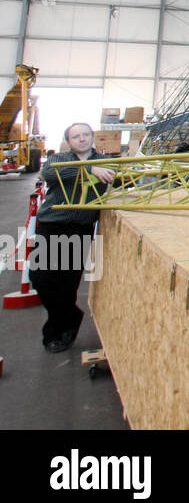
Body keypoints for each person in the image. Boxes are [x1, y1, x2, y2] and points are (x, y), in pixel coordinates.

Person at [31, 122, 115, 353]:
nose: (81, 139)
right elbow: (48, 172)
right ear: (69, 141)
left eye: (85, 134)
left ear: (92, 137)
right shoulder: (59, 159)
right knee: (41, 278)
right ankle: (71, 316)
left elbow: (122, 181)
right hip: (51, 227)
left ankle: (58, 332)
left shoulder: (106, 162)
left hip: (80, 229)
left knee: (67, 283)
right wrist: (88, 170)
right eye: (76, 136)